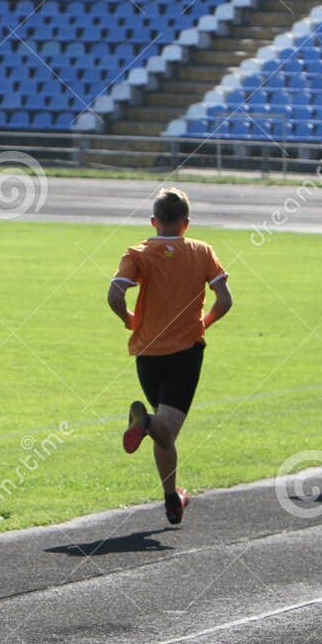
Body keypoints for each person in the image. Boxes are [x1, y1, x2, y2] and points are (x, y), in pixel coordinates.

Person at [108, 188, 232, 526]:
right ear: (186, 224)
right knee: (162, 428)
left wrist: (129, 319)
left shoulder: (137, 252)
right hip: (184, 353)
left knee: (166, 430)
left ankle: (171, 499)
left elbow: (114, 293)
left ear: (153, 221)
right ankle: (144, 423)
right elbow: (225, 300)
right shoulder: (202, 251)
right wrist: (202, 323)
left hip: (147, 352)